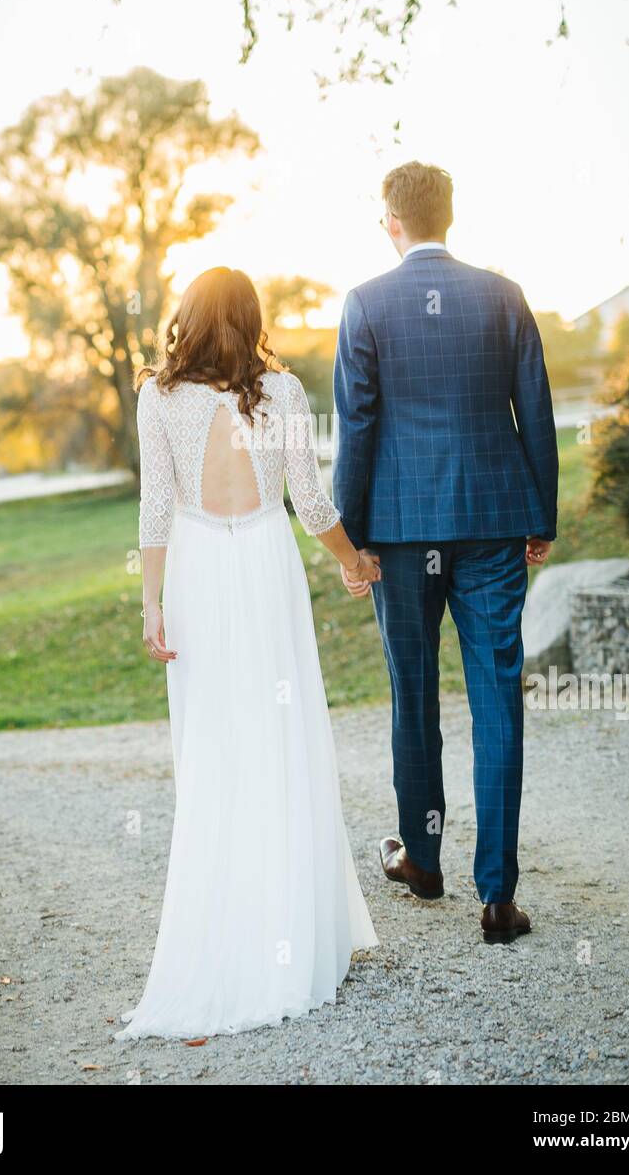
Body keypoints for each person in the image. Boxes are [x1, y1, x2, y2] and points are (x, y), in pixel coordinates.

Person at [115, 266, 378, 1041]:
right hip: (265, 563)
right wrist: (350, 560)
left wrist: (151, 603)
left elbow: (156, 504)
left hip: (197, 567)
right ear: (251, 318)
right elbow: (311, 502)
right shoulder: (286, 392)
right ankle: (293, 931)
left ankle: (230, 922)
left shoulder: (157, 396)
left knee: (213, 747)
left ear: (188, 320)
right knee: (283, 738)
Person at [333, 161, 558, 944]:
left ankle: (421, 862)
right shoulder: (504, 294)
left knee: (414, 693)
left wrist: (351, 539)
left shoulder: (365, 303)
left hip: (398, 532)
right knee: (497, 698)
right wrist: (543, 514)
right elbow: (535, 409)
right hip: (494, 520)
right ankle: (497, 897)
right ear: (450, 216)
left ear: (391, 220)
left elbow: (356, 428)